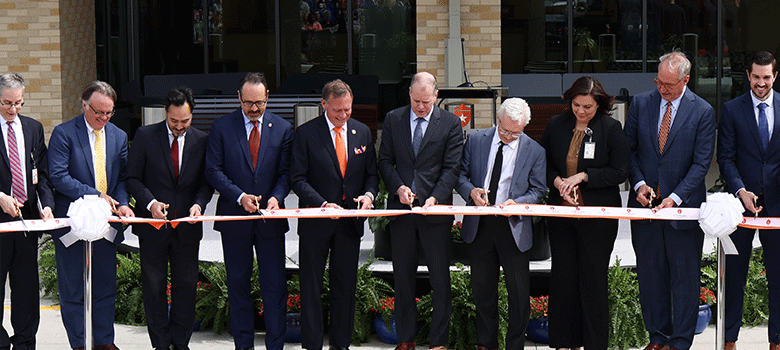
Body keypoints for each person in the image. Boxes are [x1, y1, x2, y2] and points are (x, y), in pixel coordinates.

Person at [624, 51, 715, 350]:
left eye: (669, 85)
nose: (662, 89)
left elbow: (701, 164)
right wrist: (638, 184)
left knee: (685, 280)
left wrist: (675, 198)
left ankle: (679, 342)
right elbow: (630, 151)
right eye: (659, 82)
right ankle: (657, 337)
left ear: (685, 80)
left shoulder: (702, 111)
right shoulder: (640, 104)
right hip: (645, 208)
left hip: (683, 210)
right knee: (650, 276)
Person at [204, 72, 293, 350]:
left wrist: (277, 198)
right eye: (249, 103)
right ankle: (243, 346)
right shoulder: (221, 127)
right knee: (238, 287)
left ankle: (275, 345)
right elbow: (213, 170)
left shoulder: (282, 128)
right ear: (239, 99)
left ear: (268, 98)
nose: (254, 109)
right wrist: (239, 196)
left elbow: (286, 173)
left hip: (270, 221)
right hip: (235, 219)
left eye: (260, 103)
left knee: (275, 288)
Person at [541, 76, 631, 350]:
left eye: (588, 107)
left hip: (596, 218)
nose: (581, 111)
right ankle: (564, 342)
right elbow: (541, 163)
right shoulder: (557, 125)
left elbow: (620, 171)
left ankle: (594, 344)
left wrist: (584, 176)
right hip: (562, 216)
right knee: (563, 278)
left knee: (592, 280)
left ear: (600, 104)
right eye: (577, 105)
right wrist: (558, 182)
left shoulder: (611, 128)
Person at [377, 71, 463, 350]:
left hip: (434, 214)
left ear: (436, 96)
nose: (421, 107)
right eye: (416, 101)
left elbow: (452, 168)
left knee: (440, 279)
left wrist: (436, 198)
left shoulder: (450, 123)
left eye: (426, 102)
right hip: (401, 213)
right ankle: (405, 338)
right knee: (402, 278)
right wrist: (399, 188)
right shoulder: (393, 119)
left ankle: (438, 341)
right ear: (410, 96)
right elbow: (385, 161)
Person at [290, 79, 378, 350]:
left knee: (345, 287)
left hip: (349, 225)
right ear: (324, 104)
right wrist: (322, 204)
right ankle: (313, 344)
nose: (343, 116)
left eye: (347, 110)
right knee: (311, 287)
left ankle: (341, 344)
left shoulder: (362, 132)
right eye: (337, 110)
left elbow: (371, 174)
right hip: (316, 222)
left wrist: (369, 196)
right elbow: (298, 178)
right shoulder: (306, 133)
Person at [48, 80, 136, 350]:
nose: (104, 118)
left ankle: (104, 342)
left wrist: (121, 202)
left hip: (106, 226)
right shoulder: (64, 134)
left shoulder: (119, 136)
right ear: (84, 105)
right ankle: (79, 343)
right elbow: (58, 176)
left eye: (109, 113)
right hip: (73, 225)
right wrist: (95, 196)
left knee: (105, 287)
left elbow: (121, 178)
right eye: (99, 112)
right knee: (73, 290)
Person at [455, 98, 546, 350]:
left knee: (518, 295)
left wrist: (518, 203)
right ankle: (486, 344)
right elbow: (460, 175)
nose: (508, 137)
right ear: (497, 118)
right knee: (483, 292)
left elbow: (538, 189)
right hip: (480, 225)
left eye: (515, 133)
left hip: (513, 227)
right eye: (505, 131)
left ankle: (514, 345)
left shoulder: (535, 150)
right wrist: (470, 191)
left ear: (524, 128)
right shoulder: (476, 140)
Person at [126, 87, 213, 350]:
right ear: (166, 112)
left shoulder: (202, 140)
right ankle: (161, 344)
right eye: (174, 121)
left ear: (192, 115)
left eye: (185, 121)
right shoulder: (145, 136)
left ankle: (181, 342)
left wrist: (199, 205)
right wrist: (150, 203)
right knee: (154, 288)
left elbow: (205, 183)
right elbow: (132, 178)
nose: (179, 127)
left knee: (186, 288)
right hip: (153, 227)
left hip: (186, 227)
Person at [717, 50, 780, 350]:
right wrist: (741, 190)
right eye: (756, 76)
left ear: (774, 77)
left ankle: (777, 341)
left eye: (766, 77)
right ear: (748, 76)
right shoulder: (731, 110)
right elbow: (726, 158)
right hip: (739, 206)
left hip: (777, 206)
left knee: (779, 277)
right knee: (734, 276)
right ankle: (729, 339)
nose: (761, 82)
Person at [0, 73, 55, 350]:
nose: (13, 109)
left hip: (26, 223)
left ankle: (25, 342)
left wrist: (45, 204)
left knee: (26, 289)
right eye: (7, 103)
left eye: (19, 103)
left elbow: (42, 174)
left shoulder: (33, 128)